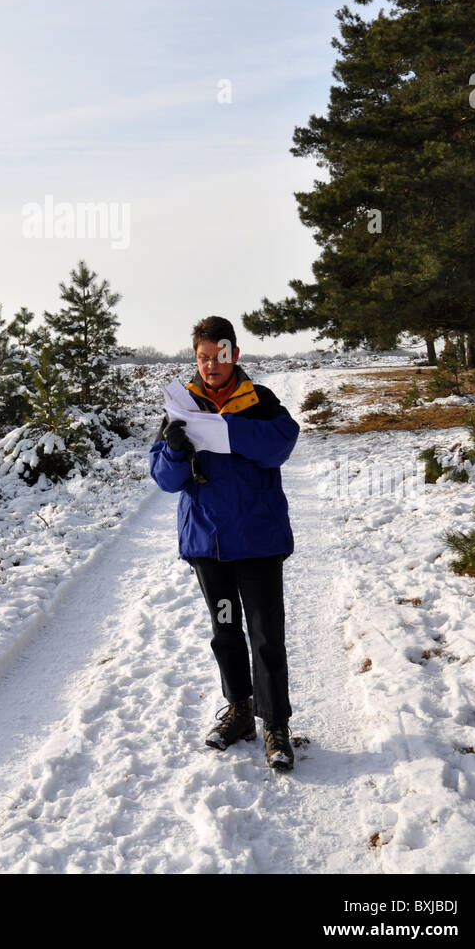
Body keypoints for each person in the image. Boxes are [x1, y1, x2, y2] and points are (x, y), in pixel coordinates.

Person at [149, 316, 300, 770]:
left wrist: (227, 430)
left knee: (266, 636)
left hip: (257, 543)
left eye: (218, 356)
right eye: (202, 357)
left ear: (234, 353)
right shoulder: (181, 406)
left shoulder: (260, 401)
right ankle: (239, 712)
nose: (210, 365)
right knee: (227, 631)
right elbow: (165, 479)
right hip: (208, 547)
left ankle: (275, 725)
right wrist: (176, 449)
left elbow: (280, 445)